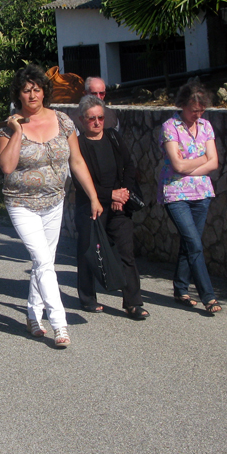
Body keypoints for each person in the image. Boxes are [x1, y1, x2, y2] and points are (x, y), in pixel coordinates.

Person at [0, 65, 103, 348]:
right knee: (43, 261)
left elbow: (76, 161)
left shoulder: (63, 121)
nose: (32, 95)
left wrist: (93, 196)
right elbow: (6, 166)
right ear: (18, 95)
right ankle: (60, 324)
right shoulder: (6, 129)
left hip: (54, 202)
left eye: (37, 89)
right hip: (21, 204)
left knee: (43, 262)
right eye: (25, 90)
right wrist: (17, 131)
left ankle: (33, 315)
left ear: (44, 91)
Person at [72, 95, 148, 319]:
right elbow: (80, 181)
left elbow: (128, 166)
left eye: (100, 117)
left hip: (118, 206)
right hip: (91, 206)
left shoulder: (114, 137)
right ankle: (87, 298)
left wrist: (121, 194)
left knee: (126, 253)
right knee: (88, 252)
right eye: (91, 118)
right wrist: (108, 195)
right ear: (81, 120)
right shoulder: (78, 145)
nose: (97, 122)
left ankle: (133, 302)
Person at [159, 80, 221, 314]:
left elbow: (214, 162)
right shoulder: (170, 127)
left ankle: (181, 288)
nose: (198, 114)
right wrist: (201, 161)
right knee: (195, 244)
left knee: (190, 242)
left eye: (201, 110)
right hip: (176, 194)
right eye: (194, 110)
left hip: (202, 193)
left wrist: (188, 168)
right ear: (182, 105)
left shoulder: (206, 126)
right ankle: (208, 296)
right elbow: (176, 165)